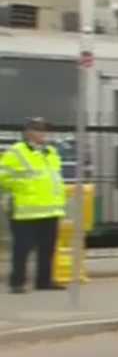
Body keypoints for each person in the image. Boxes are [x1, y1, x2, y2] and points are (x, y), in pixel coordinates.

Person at [0, 117, 67, 294]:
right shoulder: (16, 152)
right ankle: (17, 282)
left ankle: (44, 281)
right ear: (28, 132)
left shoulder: (51, 152)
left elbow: (53, 177)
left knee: (47, 248)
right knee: (22, 248)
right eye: (39, 130)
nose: (43, 134)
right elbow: (3, 177)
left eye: (44, 130)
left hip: (50, 209)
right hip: (25, 209)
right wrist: (23, 185)